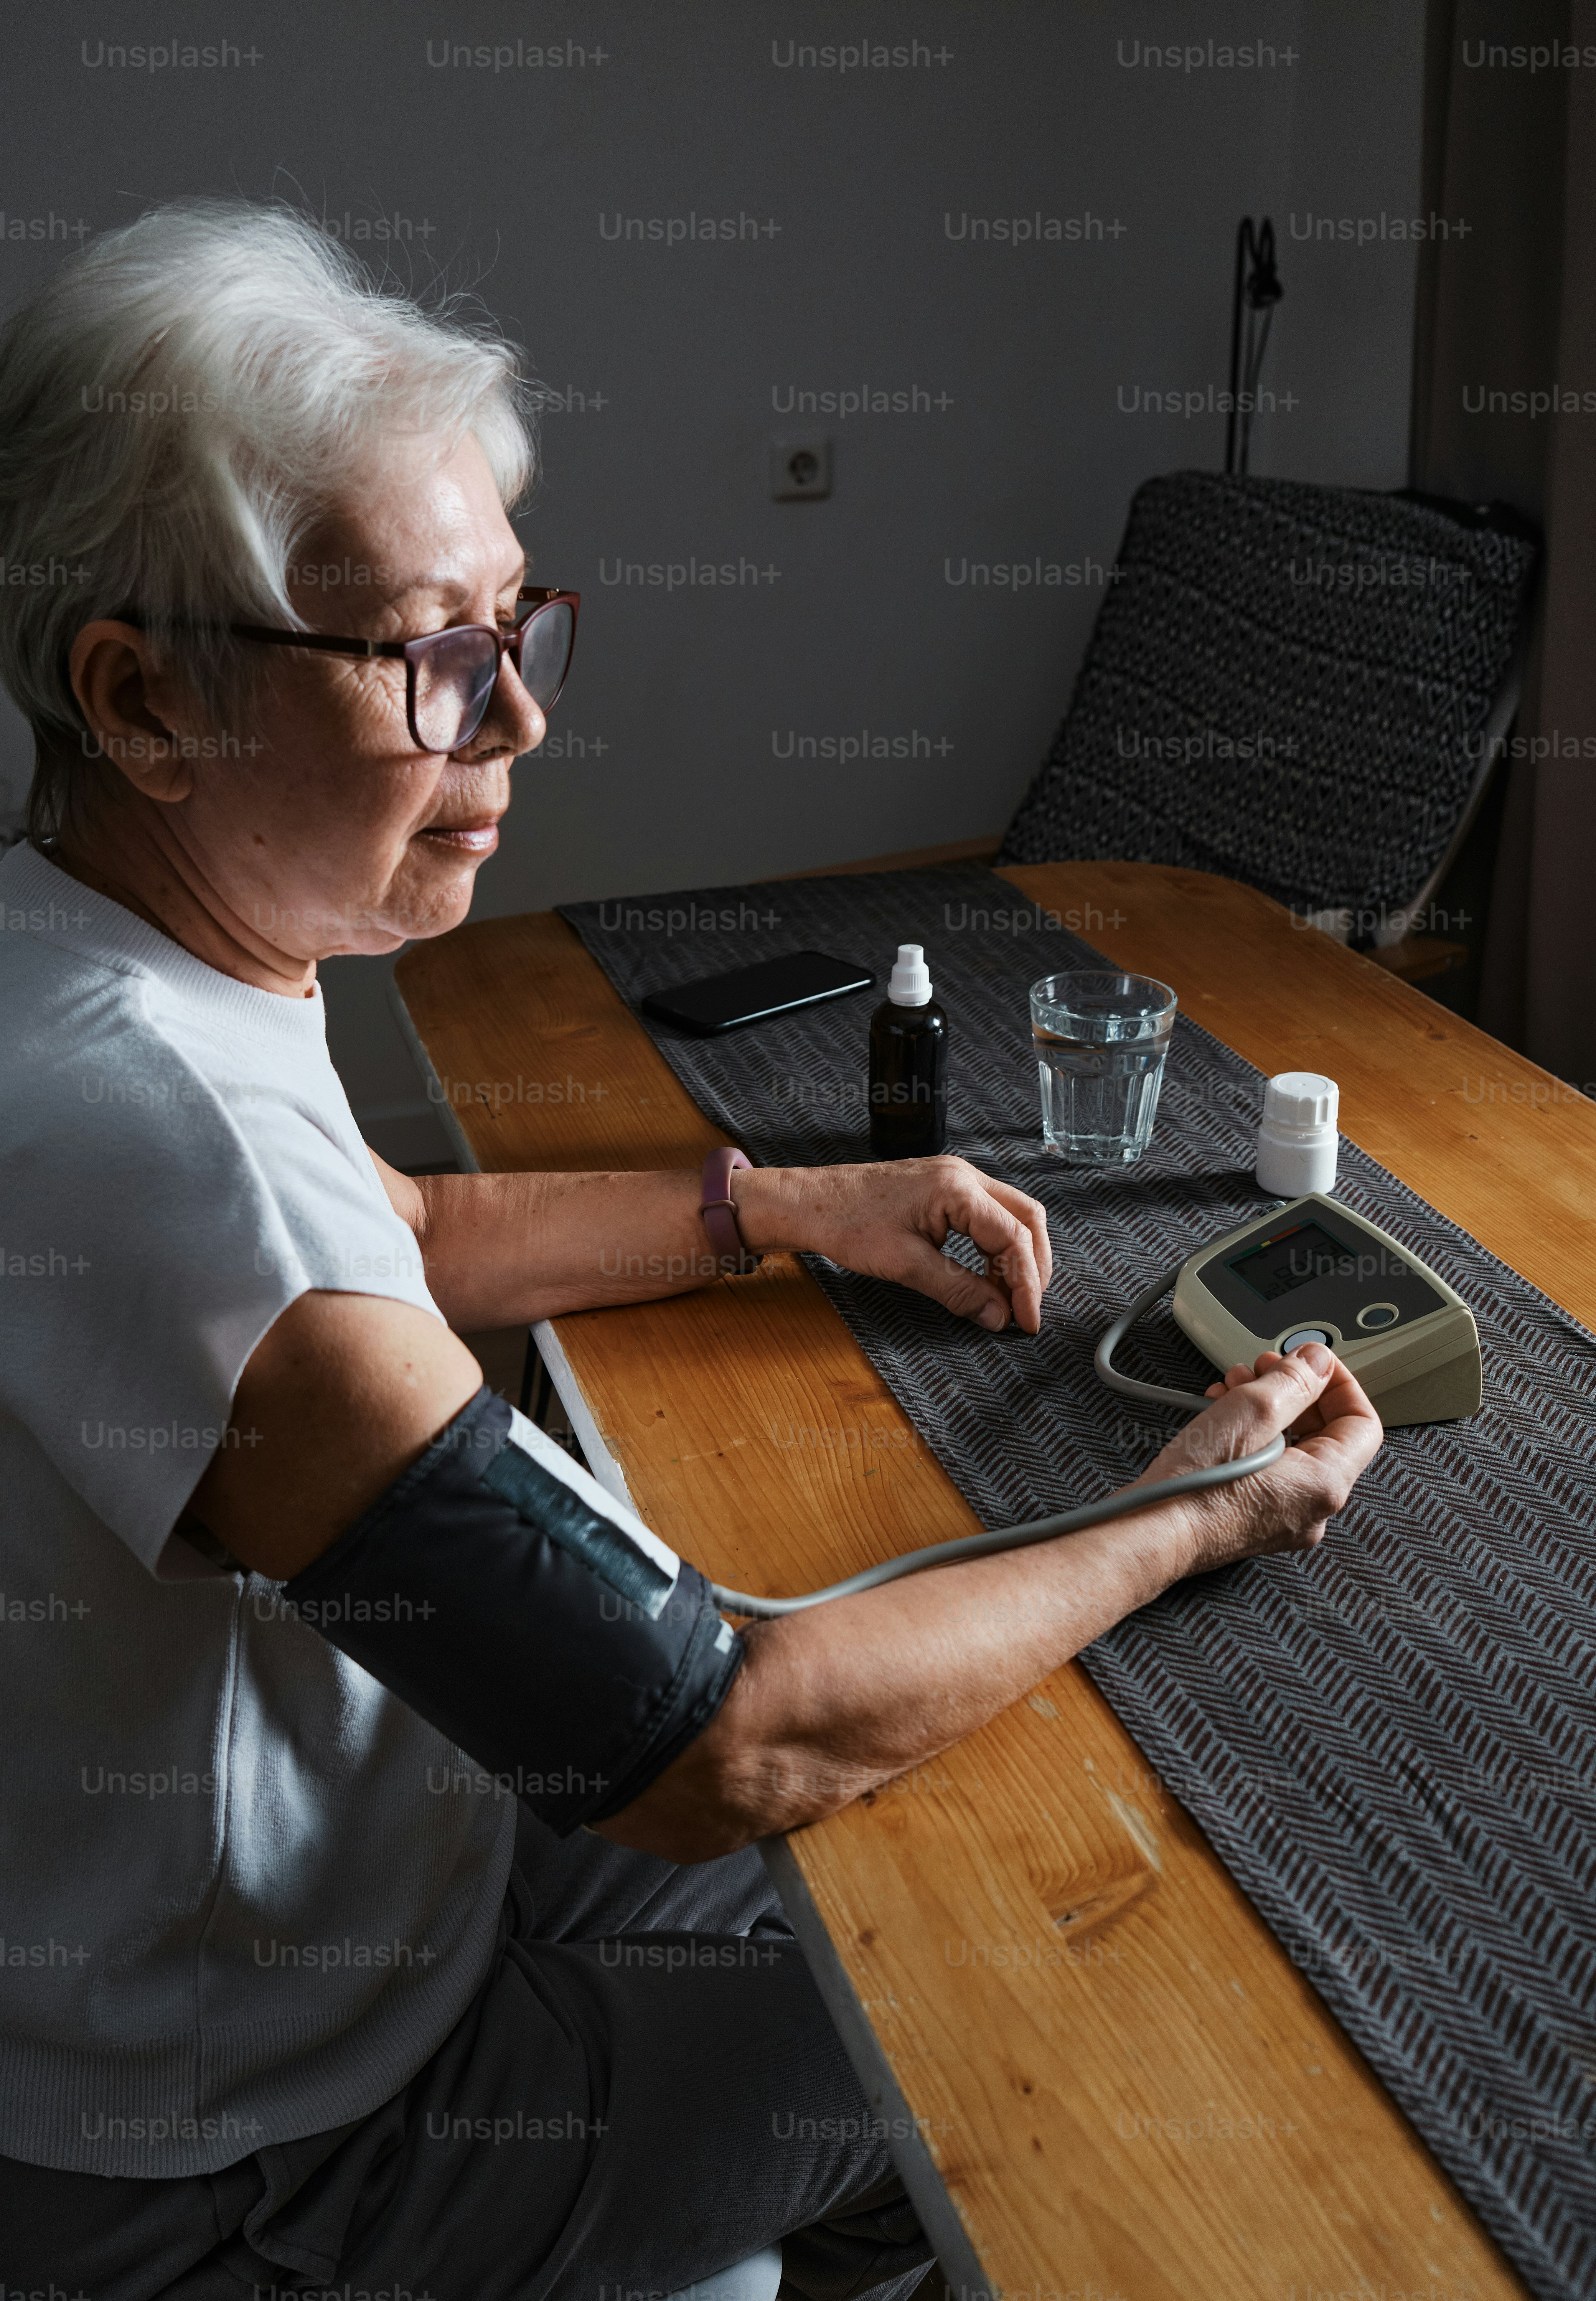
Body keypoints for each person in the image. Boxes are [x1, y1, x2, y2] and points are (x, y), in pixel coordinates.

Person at [0, 200, 1383, 2301]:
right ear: (145, 700)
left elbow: (416, 1226)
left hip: (315, 1946)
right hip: (254, 2162)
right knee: (1012, 2026)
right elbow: (719, 1741)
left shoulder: (95, 963)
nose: (521, 726)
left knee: (924, 1840)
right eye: (434, 665)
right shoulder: (156, 1149)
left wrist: (781, 1205)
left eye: (519, 632)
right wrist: (1194, 1510)